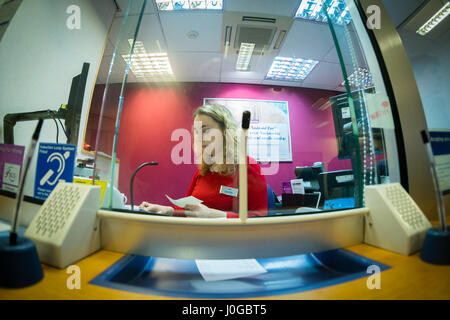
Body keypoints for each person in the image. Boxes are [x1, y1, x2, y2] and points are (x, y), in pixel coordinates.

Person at [139, 104, 268, 218]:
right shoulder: (203, 170)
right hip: (199, 238)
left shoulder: (247, 167)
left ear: (225, 132)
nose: (199, 138)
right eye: (196, 132)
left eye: (205, 131)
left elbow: (260, 216)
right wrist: (168, 210)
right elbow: (188, 208)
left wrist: (214, 215)